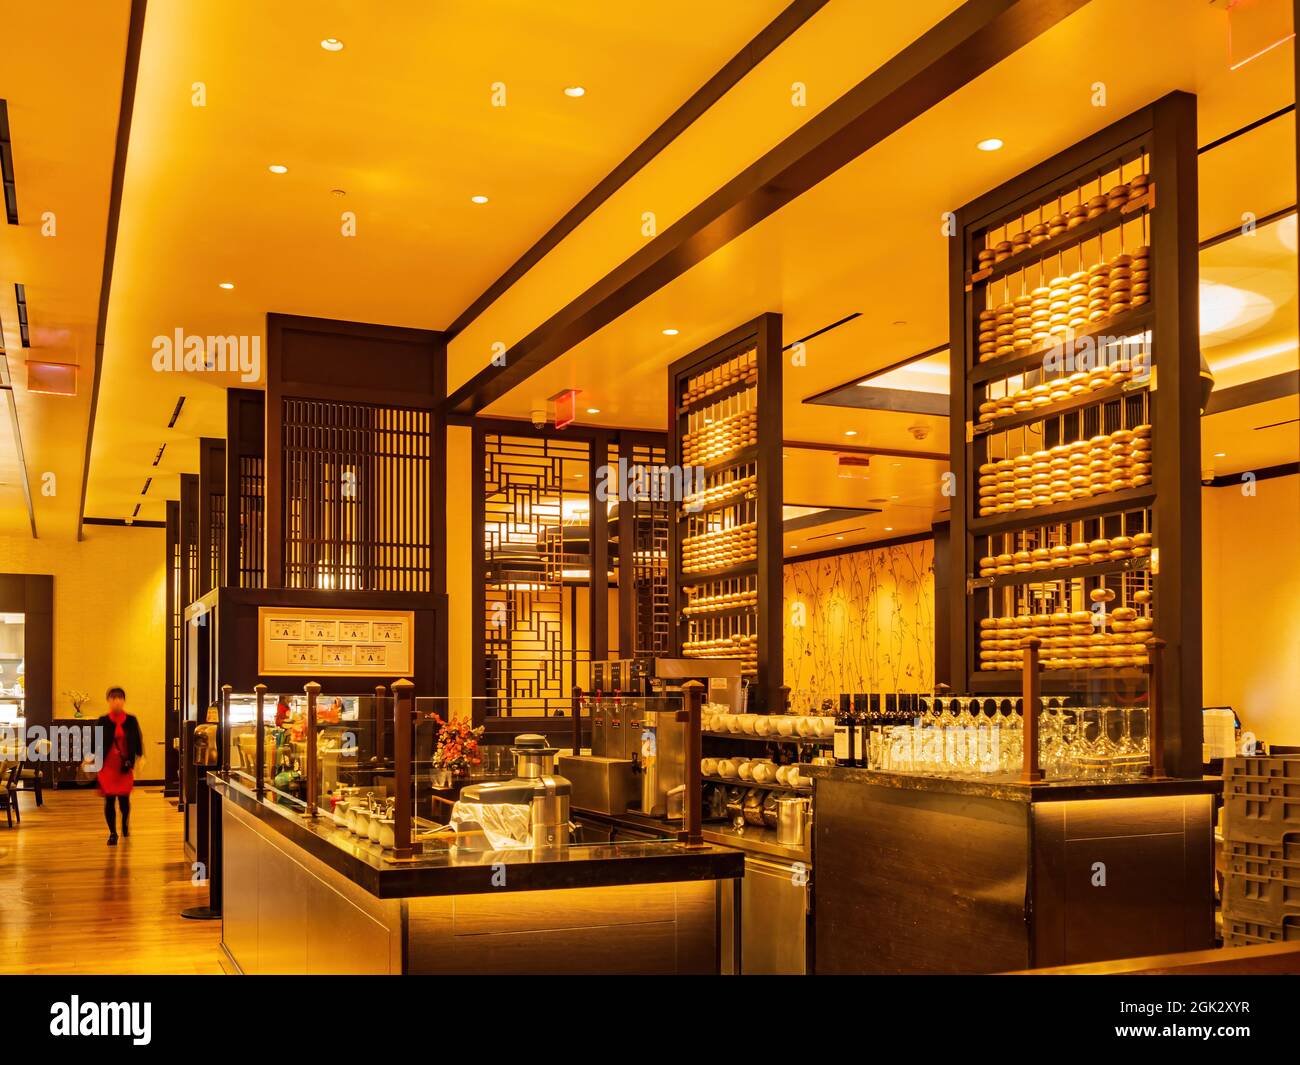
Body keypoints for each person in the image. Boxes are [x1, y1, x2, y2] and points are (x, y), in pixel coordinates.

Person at [96, 686, 143, 846]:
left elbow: (137, 739)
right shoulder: (102, 721)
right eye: (113, 698)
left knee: (124, 800)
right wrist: (89, 758)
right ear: (108, 700)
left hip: (124, 766)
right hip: (107, 766)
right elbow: (95, 741)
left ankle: (124, 824)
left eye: (120, 698)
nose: (117, 701)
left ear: (124, 701)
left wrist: (140, 756)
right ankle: (112, 833)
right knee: (109, 800)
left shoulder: (131, 720)